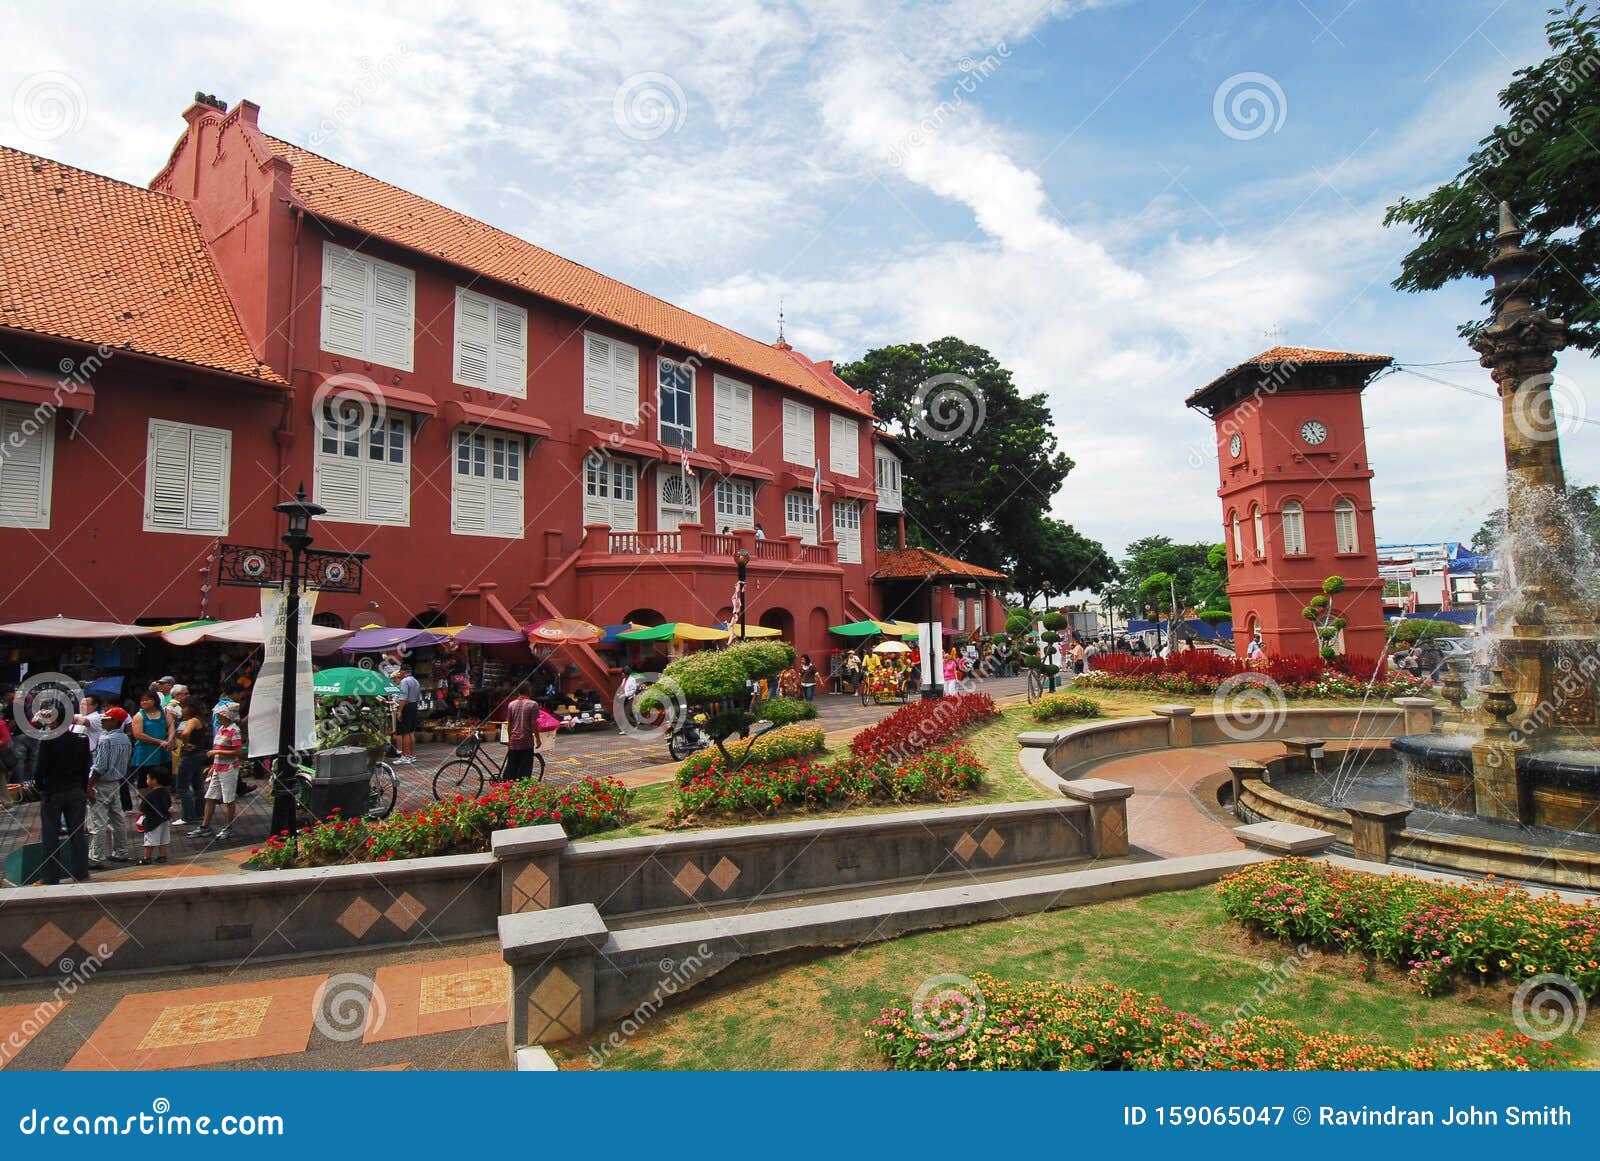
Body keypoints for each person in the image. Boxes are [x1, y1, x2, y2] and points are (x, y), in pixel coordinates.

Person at [34, 707, 92, 883]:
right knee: (77, 833)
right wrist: (83, 788)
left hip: (53, 792)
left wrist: (41, 788)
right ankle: (80, 872)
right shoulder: (81, 740)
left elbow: (40, 769)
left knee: (51, 835)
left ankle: (51, 877)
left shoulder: (48, 741)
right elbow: (85, 766)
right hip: (76, 791)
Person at [87, 706, 133, 866]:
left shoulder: (105, 739)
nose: (102, 722)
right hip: (116, 782)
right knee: (117, 818)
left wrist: (89, 785)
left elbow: (100, 766)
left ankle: (96, 857)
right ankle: (121, 851)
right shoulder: (125, 739)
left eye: (106, 720)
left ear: (115, 722)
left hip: (102, 783)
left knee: (98, 821)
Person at [193, 703, 243, 839]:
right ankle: (205, 826)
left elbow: (238, 752)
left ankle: (229, 827)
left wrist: (217, 752)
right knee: (210, 796)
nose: (217, 717)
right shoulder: (221, 729)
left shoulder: (234, 731)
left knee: (228, 799)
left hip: (229, 768)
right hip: (218, 767)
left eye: (220, 715)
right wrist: (213, 767)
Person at [129, 690, 172, 805]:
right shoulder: (139, 715)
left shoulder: (164, 712)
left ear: (155, 700)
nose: (144, 702)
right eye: (142, 700)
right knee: (144, 780)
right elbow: (138, 734)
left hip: (163, 752)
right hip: (145, 753)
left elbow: (171, 725)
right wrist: (159, 742)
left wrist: (170, 739)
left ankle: (164, 803)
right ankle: (146, 804)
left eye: (147, 699)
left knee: (164, 778)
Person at [174, 699, 211, 828]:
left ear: (190, 708)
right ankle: (199, 813)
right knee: (198, 785)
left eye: (183, 708)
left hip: (189, 755)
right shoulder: (200, 720)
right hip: (199, 754)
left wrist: (185, 743)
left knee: (183, 787)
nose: (181, 710)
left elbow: (185, 733)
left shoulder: (192, 721)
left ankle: (188, 816)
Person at [503, 689, 544, 781]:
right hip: (526, 741)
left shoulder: (511, 704)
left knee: (511, 768)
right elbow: (534, 724)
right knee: (525, 770)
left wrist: (510, 739)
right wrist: (538, 738)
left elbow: (509, 724)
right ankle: (522, 790)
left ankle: (508, 788)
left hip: (514, 741)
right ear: (529, 692)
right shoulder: (533, 704)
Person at [137, 767, 173, 865]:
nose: (147, 780)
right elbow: (168, 804)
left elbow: (143, 808)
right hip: (165, 819)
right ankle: (162, 855)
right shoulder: (166, 792)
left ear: (155, 780)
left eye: (148, 778)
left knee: (150, 840)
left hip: (153, 821)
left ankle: (147, 857)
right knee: (163, 839)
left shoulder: (150, 795)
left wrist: (142, 798)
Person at [394, 664, 422, 763]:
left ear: (403, 671)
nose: (400, 673)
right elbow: (418, 697)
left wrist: (400, 711)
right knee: (411, 731)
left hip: (406, 706)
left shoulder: (404, 681)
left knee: (405, 732)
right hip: (414, 705)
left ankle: (406, 756)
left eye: (400, 672)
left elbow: (403, 698)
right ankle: (412, 755)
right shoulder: (416, 681)